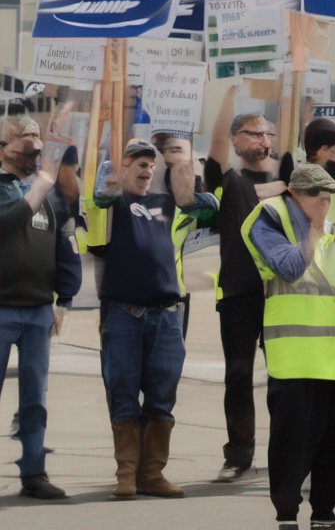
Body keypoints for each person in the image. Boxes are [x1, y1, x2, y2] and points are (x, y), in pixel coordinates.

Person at [243, 164, 335, 530]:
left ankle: (325, 515)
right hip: (298, 360)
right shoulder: (268, 219)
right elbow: (290, 267)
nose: (324, 202)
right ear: (294, 193)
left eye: (329, 195)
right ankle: (287, 518)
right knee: (291, 451)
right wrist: (313, 229)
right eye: (315, 195)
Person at [89, 139, 218, 499]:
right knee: (123, 395)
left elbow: (210, 209)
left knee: (162, 398)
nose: (146, 170)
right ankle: (126, 475)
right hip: (122, 314)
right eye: (137, 163)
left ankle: (152, 474)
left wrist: (182, 168)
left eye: (150, 164)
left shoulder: (170, 204)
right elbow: (96, 201)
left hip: (166, 316)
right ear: (121, 167)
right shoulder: (111, 203)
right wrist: (108, 186)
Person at [0, 116, 80, 499]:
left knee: (35, 398)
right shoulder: (6, 188)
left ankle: (34, 472)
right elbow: (9, 222)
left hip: (37, 311)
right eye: (23, 137)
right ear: (3, 147)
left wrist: (64, 299)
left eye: (36, 135)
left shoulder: (47, 194)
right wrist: (42, 184)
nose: (32, 143)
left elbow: (66, 248)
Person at [205, 104, 283, 482]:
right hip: (238, 293)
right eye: (253, 133)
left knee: (284, 377)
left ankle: (287, 452)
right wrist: (228, 93)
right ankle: (239, 456)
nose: (263, 140)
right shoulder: (229, 181)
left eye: (267, 133)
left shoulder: (287, 180)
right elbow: (215, 144)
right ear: (236, 141)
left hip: (282, 294)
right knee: (238, 376)